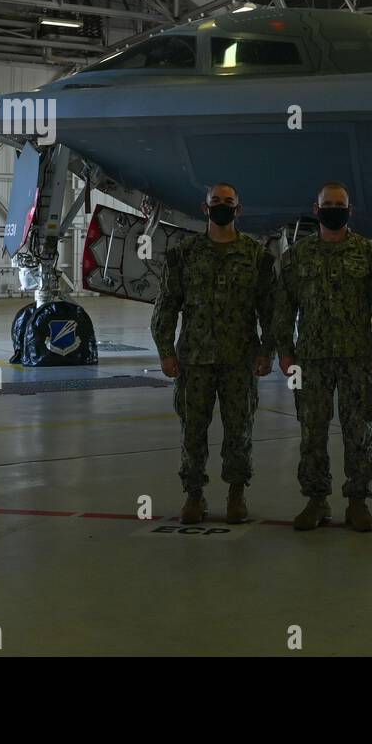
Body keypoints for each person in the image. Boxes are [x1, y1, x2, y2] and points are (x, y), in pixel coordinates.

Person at [151, 183, 275, 525]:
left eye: (228, 202)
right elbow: (166, 306)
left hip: (240, 360)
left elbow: (270, 309)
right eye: (215, 202)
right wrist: (165, 351)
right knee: (193, 431)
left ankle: (237, 493)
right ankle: (194, 495)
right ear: (205, 209)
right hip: (194, 359)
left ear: (239, 210)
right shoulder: (184, 254)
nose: (222, 207)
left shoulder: (256, 255)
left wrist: (267, 351)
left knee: (239, 429)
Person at [274, 181, 372, 532]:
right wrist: (284, 352)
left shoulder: (368, 254)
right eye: (329, 204)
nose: (334, 210)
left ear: (350, 211)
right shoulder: (297, 256)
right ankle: (316, 500)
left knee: (359, 433)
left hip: (357, 356)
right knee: (312, 433)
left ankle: (358, 501)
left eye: (340, 205)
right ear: (316, 209)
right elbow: (284, 308)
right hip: (311, 359)